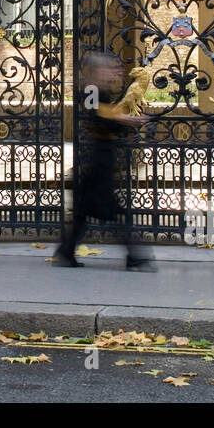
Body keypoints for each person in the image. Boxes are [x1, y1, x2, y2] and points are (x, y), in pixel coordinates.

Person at [55, 50, 152, 271]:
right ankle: (134, 255)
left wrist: (125, 120)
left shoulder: (98, 90)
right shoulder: (92, 90)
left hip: (99, 156)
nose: (116, 71)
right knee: (116, 212)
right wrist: (128, 121)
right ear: (97, 70)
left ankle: (66, 251)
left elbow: (105, 116)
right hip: (98, 158)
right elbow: (101, 118)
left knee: (83, 212)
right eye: (111, 68)